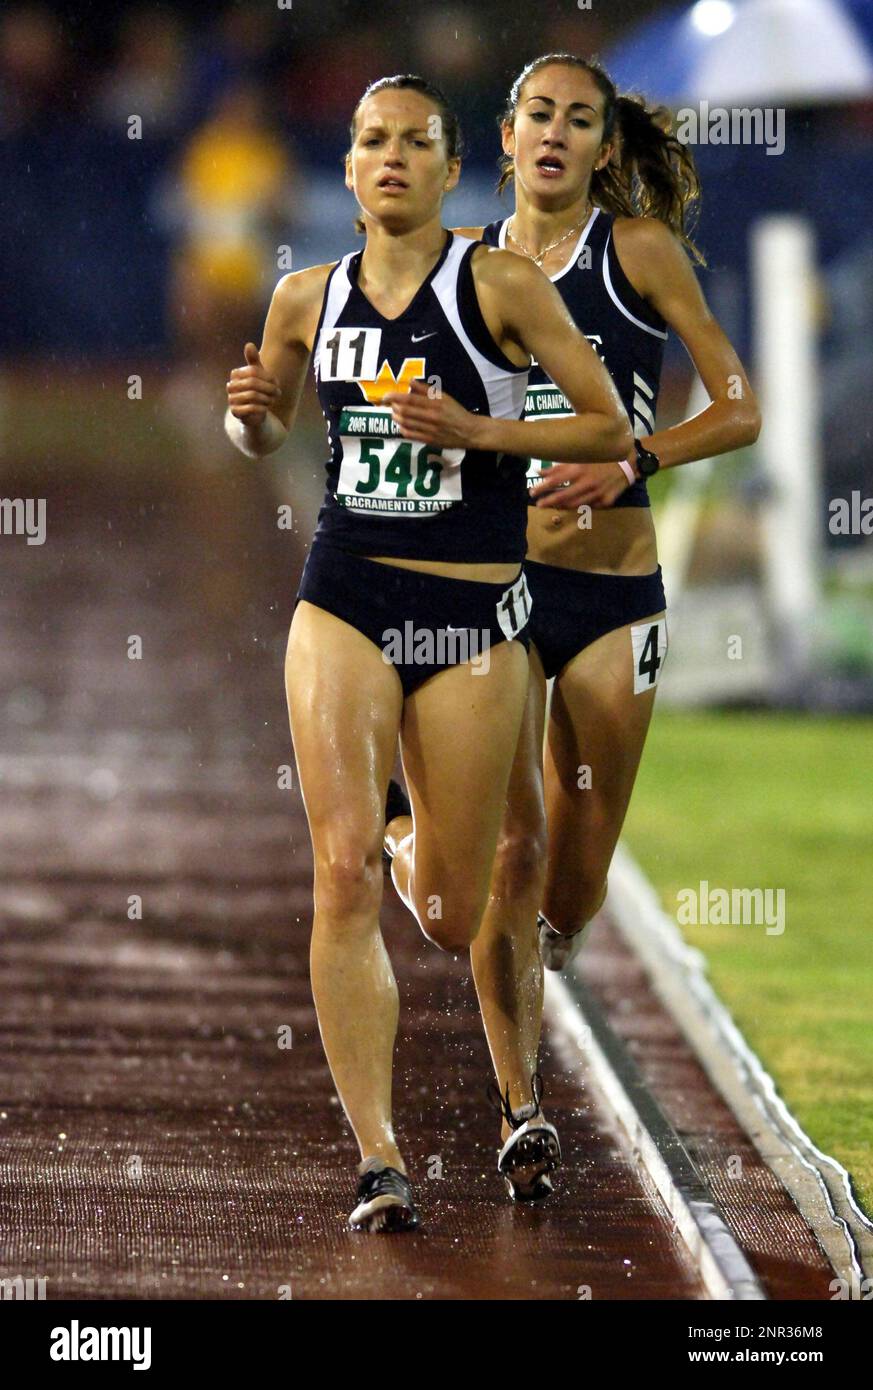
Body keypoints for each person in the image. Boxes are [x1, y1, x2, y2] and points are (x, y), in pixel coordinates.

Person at [225, 74, 632, 1232]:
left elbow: (608, 425)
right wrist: (250, 411)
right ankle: (381, 1159)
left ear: (454, 171)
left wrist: (482, 430)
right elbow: (263, 430)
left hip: (470, 613)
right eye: (368, 141)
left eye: (414, 142)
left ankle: (412, 833)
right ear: (347, 169)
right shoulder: (304, 296)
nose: (389, 157)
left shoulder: (496, 283)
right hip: (345, 599)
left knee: (453, 910)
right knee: (337, 868)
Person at [438, 54, 761, 1200]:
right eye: (540, 114)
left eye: (582, 120)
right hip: (500, 588)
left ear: (606, 148)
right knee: (512, 850)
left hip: (618, 590)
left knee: (576, 872)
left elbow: (741, 407)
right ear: (509, 132)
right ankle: (522, 1108)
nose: (558, 135)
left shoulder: (638, 256)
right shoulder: (463, 267)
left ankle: (547, 943)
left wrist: (635, 455)